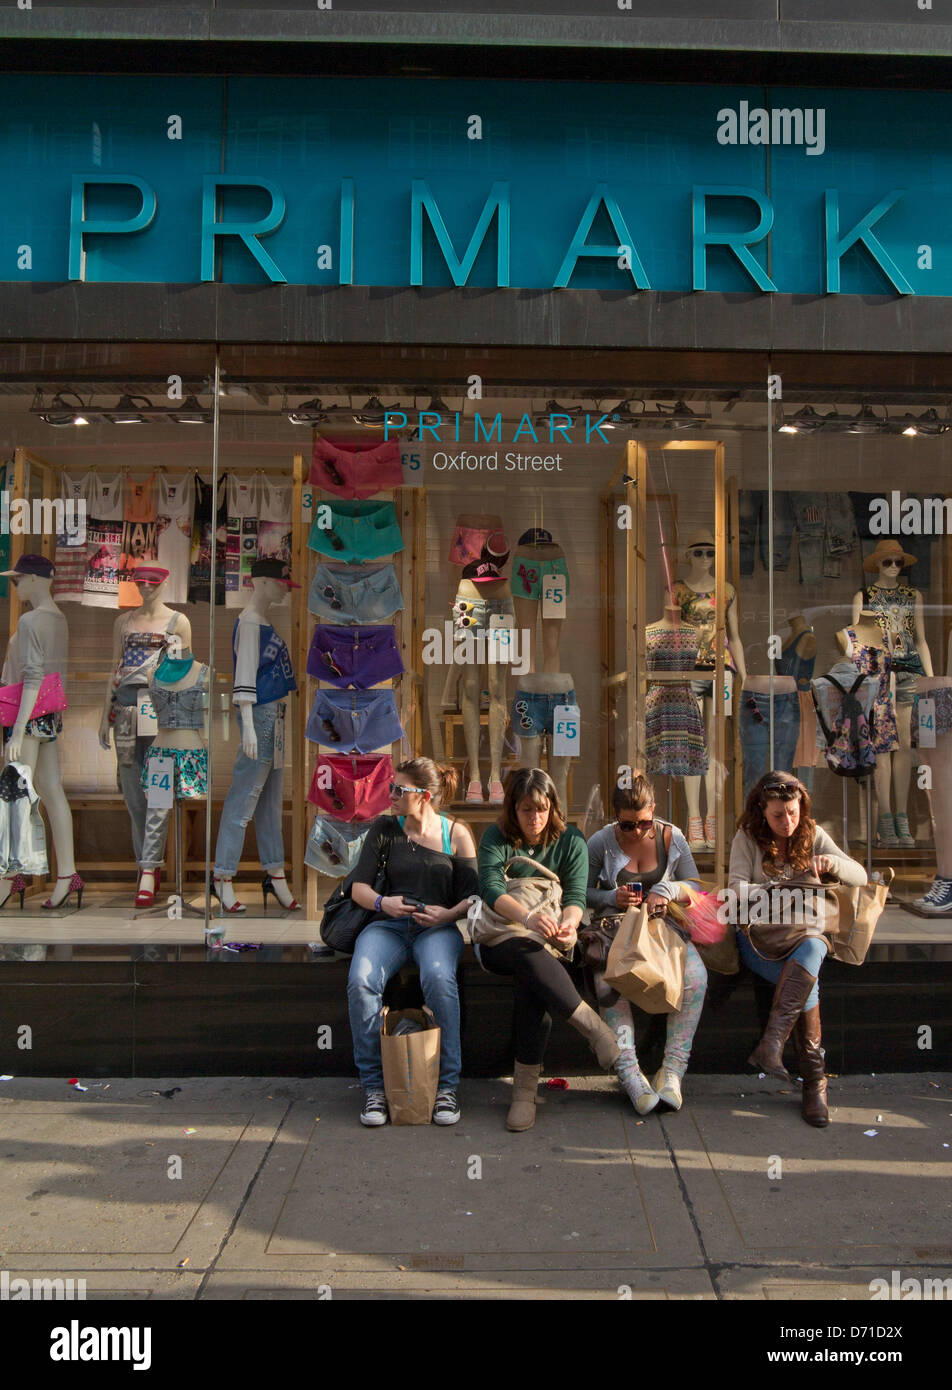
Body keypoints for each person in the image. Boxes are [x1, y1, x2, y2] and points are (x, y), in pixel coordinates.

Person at [476, 767, 622, 1132]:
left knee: (533, 982)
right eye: (526, 809)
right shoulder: (495, 836)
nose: (535, 818)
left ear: (553, 806)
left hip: (549, 943)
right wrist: (527, 918)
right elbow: (491, 889)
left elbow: (575, 896)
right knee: (527, 955)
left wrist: (570, 923)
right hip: (499, 938)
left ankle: (524, 1093)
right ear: (513, 809)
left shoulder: (571, 840)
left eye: (541, 809)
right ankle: (594, 1029)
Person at [729, 771, 868, 1127]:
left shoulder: (813, 833)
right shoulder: (747, 837)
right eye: (778, 815)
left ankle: (775, 1047)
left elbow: (860, 876)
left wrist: (831, 863)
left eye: (793, 812)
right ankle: (814, 1082)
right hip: (760, 940)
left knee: (813, 943)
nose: (788, 822)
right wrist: (782, 887)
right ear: (762, 812)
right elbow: (735, 893)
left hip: (803, 937)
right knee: (809, 977)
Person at [346, 758, 478, 1128]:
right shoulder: (385, 829)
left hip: (436, 929)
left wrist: (447, 915)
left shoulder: (456, 833)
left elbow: (473, 896)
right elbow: (358, 888)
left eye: (398, 790)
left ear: (424, 796)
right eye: (390, 787)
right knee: (361, 980)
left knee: (438, 977)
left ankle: (446, 1085)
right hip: (387, 926)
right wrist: (382, 903)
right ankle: (375, 1087)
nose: (390, 795)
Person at [586, 775, 707, 1114]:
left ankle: (673, 1071)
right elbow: (580, 892)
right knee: (609, 984)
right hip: (615, 930)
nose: (637, 831)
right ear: (615, 817)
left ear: (654, 810)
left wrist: (667, 889)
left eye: (644, 823)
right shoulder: (601, 841)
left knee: (695, 979)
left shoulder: (672, 836)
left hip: (662, 931)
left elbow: (695, 885)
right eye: (627, 825)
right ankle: (629, 1073)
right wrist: (611, 896)